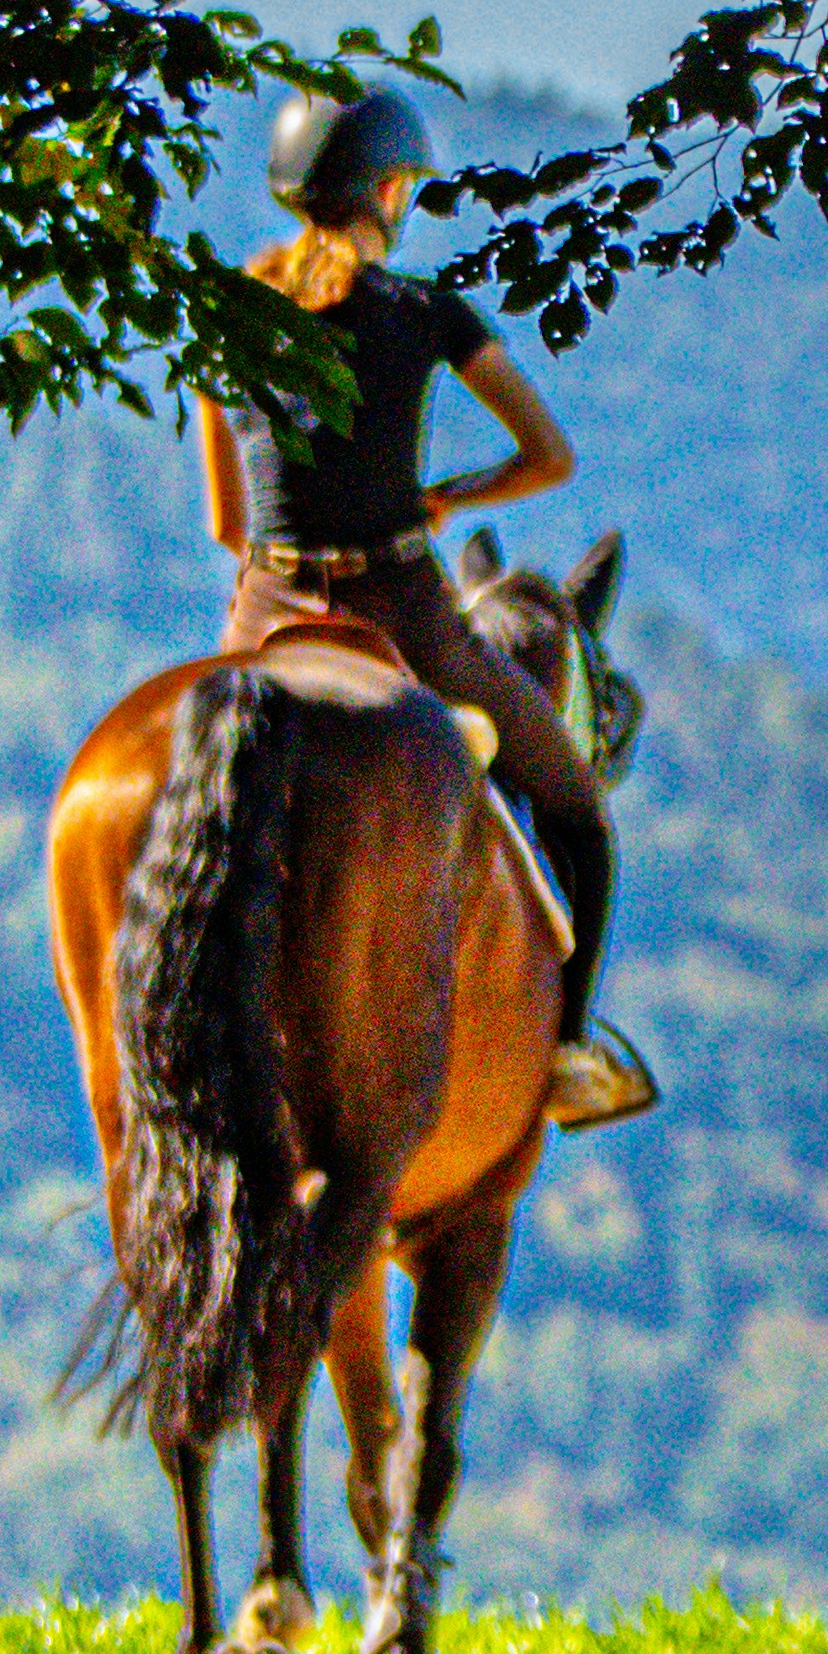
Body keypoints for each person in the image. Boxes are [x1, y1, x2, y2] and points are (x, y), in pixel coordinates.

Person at [201, 86, 658, 1129]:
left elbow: (227, 520)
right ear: (391, 192)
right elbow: (550, 458)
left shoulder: (228, 318)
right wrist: (454, 494)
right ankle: (567, 1060)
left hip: (264, 616)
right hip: (401, 610)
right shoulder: (424, 314)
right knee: (580, 815)